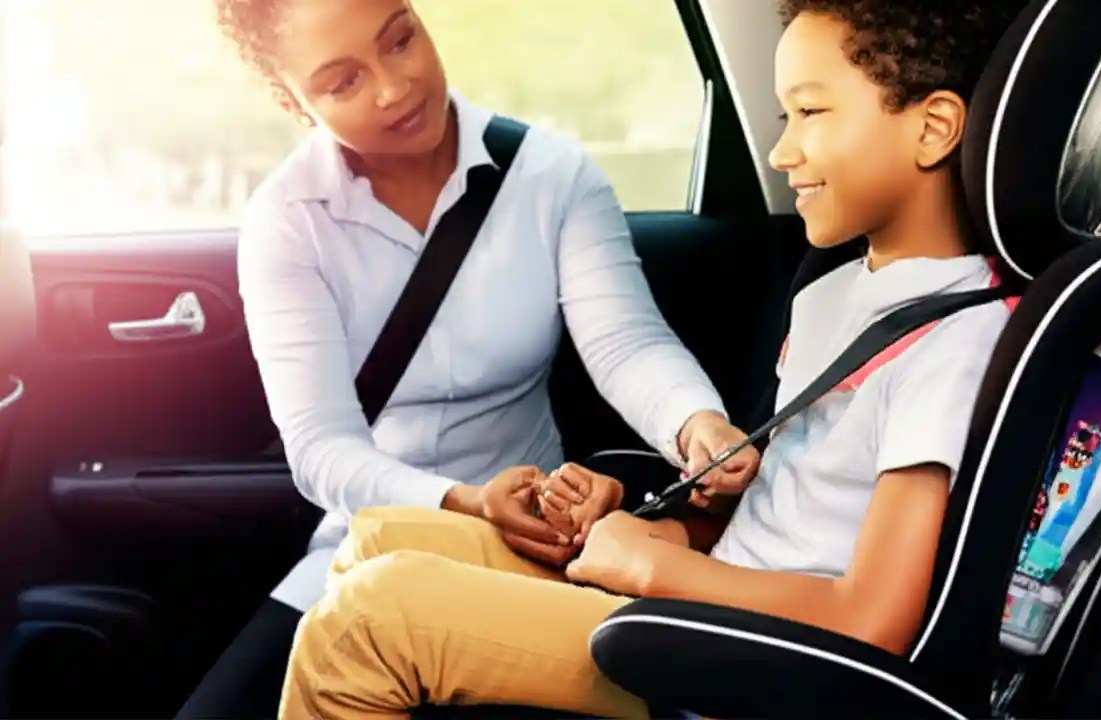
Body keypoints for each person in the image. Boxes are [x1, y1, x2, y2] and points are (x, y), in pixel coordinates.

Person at [278, 0, 1023, 717]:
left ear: (933, 129)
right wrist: (666, 527)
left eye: (811, 113)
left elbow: (873, 622)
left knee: (362, 627)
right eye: (782, 117)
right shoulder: (831, 299)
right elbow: (788, 513)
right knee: (381, 536)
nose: (779, 150)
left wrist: (659, 566)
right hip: (707, 593)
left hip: (745, 659)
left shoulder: (957, 345)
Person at [176, 0, 760, 716]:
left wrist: (695, 424)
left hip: (538, 551)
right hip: (365, 545)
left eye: (400, 39)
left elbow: (626, 342)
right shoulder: (286, 222)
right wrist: (464, 502)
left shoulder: (552, 175)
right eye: (343, 81)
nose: (394, 86)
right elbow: (321, 448)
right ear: (289, 100)